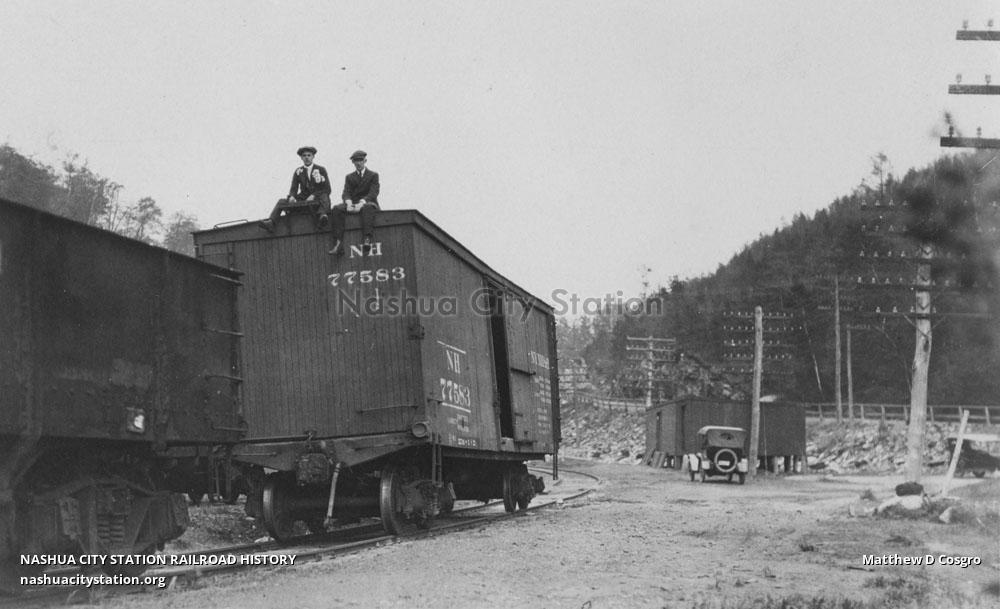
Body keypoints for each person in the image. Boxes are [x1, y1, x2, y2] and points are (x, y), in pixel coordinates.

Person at [259, 146, 332, 232]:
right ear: (301, 158)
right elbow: (294, 188)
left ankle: (322, 217)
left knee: (324, 196)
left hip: (318, 200)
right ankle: (271, 222)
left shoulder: (321, 169)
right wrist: (292, 196)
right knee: (282, 201)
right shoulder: (298, 171)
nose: (307, 158)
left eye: (309, 155)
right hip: (304, 199)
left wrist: (314, 195)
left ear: (313, 156)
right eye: (304, 156)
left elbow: (327, 189)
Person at [329, 150, 379, 255]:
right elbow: (346, 192)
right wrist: (348, 203)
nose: (358, 163)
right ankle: (338, 243)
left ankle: (367, 239)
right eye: (356, 161)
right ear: (353, 162)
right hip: (353, 203)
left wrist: (361, 203)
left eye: (360, 160)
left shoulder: (373, 175)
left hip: (368, 203)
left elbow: (373, 193)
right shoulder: (349, 177)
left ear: (365, 161)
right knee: (336, 209)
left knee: (367, 208)